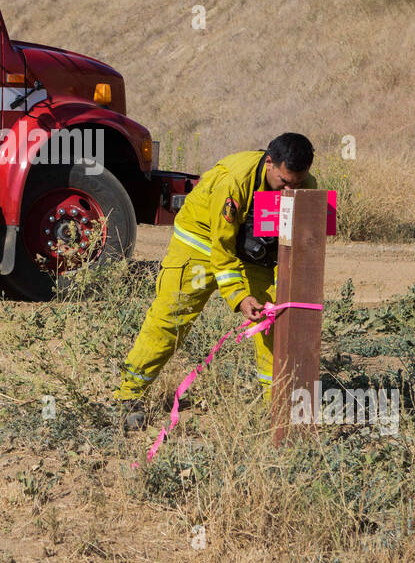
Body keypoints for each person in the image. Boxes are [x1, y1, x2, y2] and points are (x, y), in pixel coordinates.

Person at [113, 133, 317, 426]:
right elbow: (221, 248)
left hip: (250, 249)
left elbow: (305, 238)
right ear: (269, 162)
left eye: (296, 183)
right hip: (201, 245)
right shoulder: (233, 181)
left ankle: (279, 409)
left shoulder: (304, 186)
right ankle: (127, 395)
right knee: (170, 319)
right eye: (284, 182)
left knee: (273, 319)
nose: (290, 189)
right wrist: (239, 296)